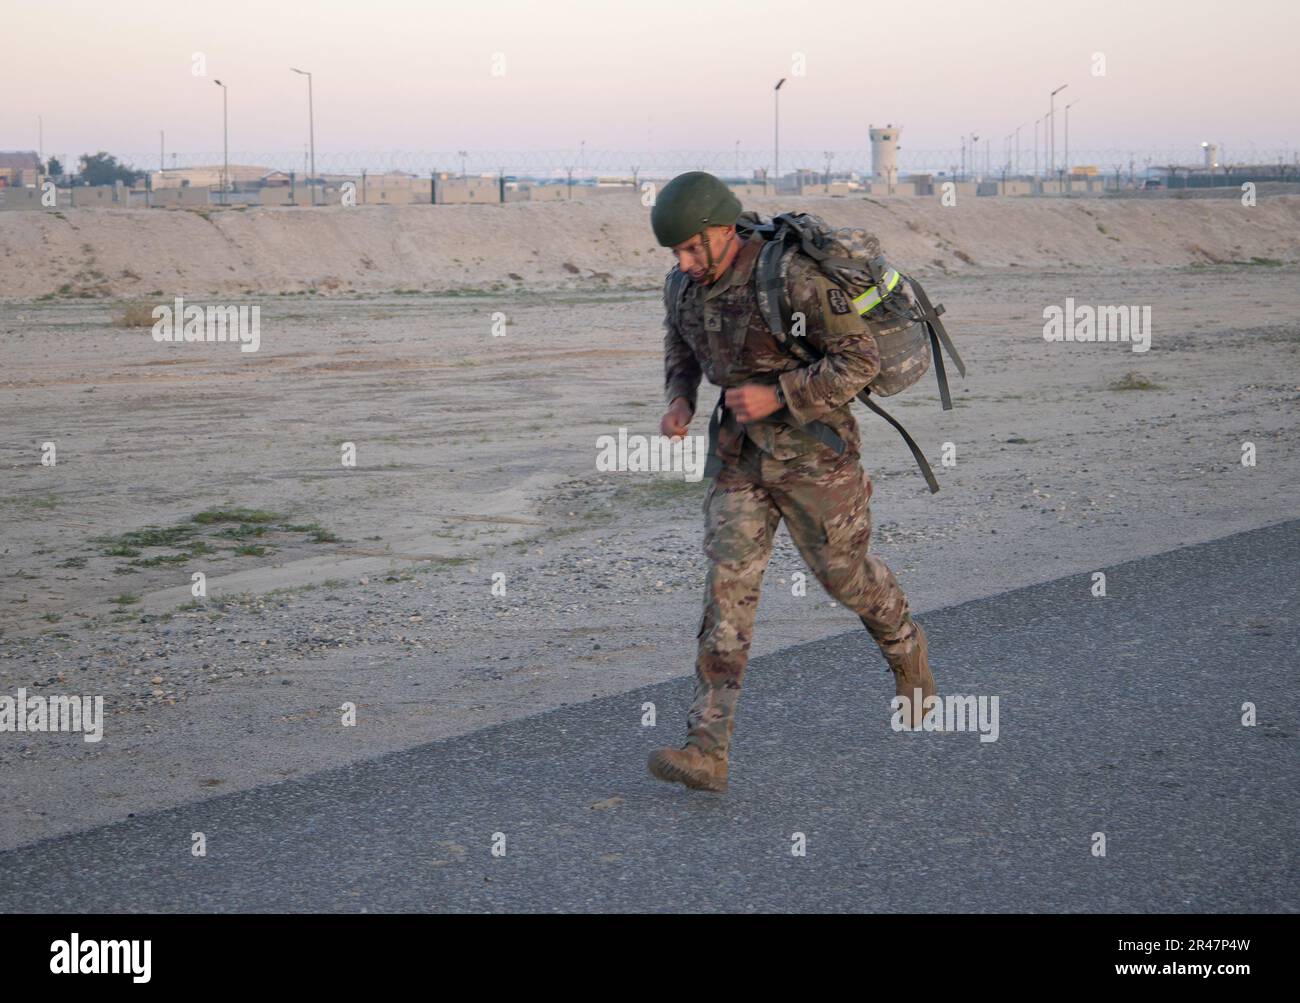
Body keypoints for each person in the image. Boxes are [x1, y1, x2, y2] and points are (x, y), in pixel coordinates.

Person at [646, 171, 936, 793]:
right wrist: (680, 400)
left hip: (815, 456)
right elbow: (681, 345)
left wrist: (778, 394)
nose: (684, 261)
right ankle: (707, 748)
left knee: (845, 579)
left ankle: (906, 646)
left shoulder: (791, 280)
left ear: (723, 230)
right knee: (726, 592)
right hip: (737, 457)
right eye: (676, 252)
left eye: (693, 248)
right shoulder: (682, 287)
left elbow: (860, 359)